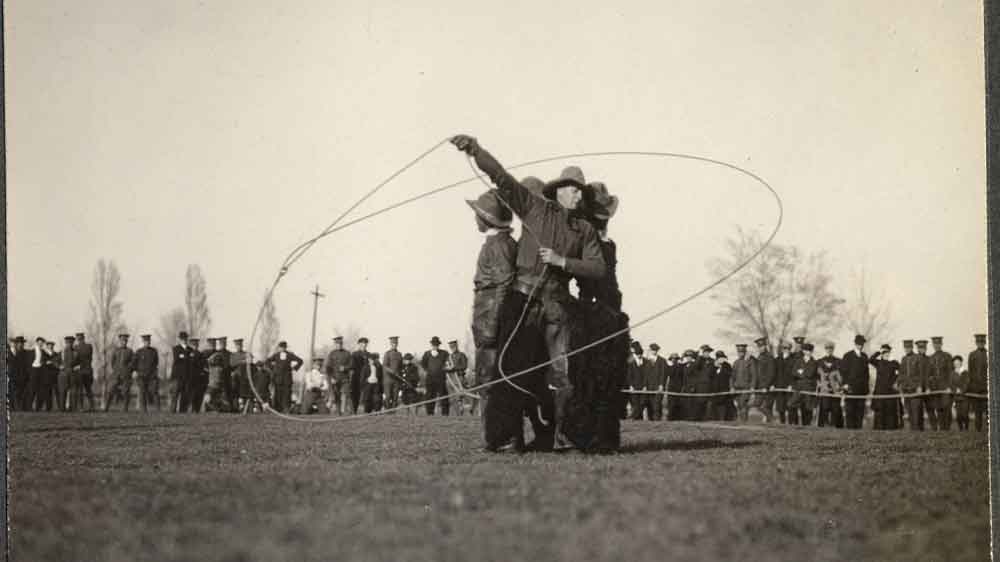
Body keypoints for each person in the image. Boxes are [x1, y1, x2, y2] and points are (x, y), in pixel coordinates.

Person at [452, 135, 607, 451]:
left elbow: (598, 268)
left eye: (581, 191)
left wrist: (564, 262)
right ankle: (507, 438)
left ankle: (565, 437)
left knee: (565, 372)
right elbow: (500, 176)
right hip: (521, 301)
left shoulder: (586, 230)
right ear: (559, 190)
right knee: (511, 370)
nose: (578, 195)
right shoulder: (533, 207)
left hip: (558, 306)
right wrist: (476, 150)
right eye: (573, 189)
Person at [466, 188, 518, 440]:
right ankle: (501, 437)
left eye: (477, 213)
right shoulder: (504, 243)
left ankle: (496, 438)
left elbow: (504, 285)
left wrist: (492, 324)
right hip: (489, 316)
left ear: (486, 218)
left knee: (489, 379)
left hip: (490, 318)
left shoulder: (497, 245)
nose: (475, 218)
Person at [841, 335, 870, 429]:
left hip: (861, 389)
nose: (860, 346)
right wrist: (845, 384)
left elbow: (866, 374)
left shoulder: (864, 356)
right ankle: (850, 430)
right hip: (850, 388)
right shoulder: (847, 356)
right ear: (855, 344)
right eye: (858, 344)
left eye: (862, 344)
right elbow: (843, 371)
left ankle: (858, 430)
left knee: (860, 411)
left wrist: (866, 388)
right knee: (850, 410)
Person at [869, 344, 900, 430]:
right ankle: (879, 428)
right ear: (882, 354)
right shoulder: (878, 363)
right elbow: (870, 360)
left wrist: (896, 382)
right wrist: (879, 352)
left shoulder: (894, 363)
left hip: (890, 392)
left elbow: (901, 372)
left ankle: (891, 428)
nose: (886, 354)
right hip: (880, 391)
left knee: (890, 411)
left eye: (887, 352)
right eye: (884, 353)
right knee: (879, 411)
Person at [267, 341, 303, 413]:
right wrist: (273, 369)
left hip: (287, 378)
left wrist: (294, 368)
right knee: (278, 394)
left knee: (287, 394)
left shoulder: (290, 355)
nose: (282, 349)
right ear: (279, 348)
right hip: (278, 378)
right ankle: (277, 409)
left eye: (283, 347)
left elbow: (300, 361)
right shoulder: (276, 355)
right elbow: (267, 361)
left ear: (285, 348)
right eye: (281, 347)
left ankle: (286, 409)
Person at [927, 336, 954, 430]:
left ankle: (947, 427)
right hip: (935, 387)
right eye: (935, 344)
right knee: (938, 407)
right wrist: (929, 386)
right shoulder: (930, 358)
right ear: (933, 345)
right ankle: (942, 427)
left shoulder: (947, 356)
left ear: (941, 344)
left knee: (946, 406)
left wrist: (949, 386)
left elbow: (951, 372)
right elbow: (928, 374)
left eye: (938, 344)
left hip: (945, 386)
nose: (936, 346)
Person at [788, 343, 818, 426]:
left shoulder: (814, 362)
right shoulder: (798, 361)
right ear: (804, 351)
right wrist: (802, 373)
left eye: (810, 351)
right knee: (791, 404)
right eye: (806, 350)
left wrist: (800, 372)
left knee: (807, 408)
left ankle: (806, 425)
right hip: (798, 387)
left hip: (809, 387)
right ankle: (793, 424)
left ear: (812, 352)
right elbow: (794, 372)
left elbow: (810, 373)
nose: (808, 352)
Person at [897, 339, 924, 430]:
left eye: (909, 347)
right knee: (909, 409)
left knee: (916, 409)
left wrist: (919, 386)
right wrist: (898, 383)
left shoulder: (918, 358)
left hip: (915, 388)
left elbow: (921, 373)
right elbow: (901, 373)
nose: (907, 349)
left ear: (912, 347)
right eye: (905, 348)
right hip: (906, 388)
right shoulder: (904, 359)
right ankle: (913, 429)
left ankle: (917, 430)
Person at [816, 343, 844, 428]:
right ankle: (823, 426)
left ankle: (836, 426)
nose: (829, 350)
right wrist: (818, 383)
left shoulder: (839, 361)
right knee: (824, 408)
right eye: (827, 348)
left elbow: (841, 376)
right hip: (824, 390)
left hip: (835, 390)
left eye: (831, 348)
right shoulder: (820, 361)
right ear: (825, 349)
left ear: (833, 349)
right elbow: (816, 376)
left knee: (836, 408)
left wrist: (840, 387)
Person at [421, 336, 450, 416]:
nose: (435, 346)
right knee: (430, 396)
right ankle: (430, 413)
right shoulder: (427, 354)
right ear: (431, 345)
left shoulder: (444, 353)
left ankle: (445, 414)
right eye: (433, 344)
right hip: (430, 379)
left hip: (441, 378)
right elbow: (423, 364)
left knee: (443, 396)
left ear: (438, 345)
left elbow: (448, 362)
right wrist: (428, 371)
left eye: (436, 345)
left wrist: (445, 368)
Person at [325, 335, 354, 415]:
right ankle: (338, 412)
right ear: (335, 344)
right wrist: (331, 378)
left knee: (348, 394)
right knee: (337, 395)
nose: (339, 345)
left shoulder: (347, 353)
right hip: (335, 378)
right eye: (337, 344)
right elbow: (328, 367)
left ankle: (352, 412)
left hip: (345, 378)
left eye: (340, 344)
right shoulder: (332, 354)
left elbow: (352, 365)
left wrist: (345, 368)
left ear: (342, 344)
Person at [967, 333, 989, 431]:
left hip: (986, 386)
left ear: (985, 343)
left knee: (988, 409)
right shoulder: (972, 355)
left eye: (982, 342)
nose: (980, 344)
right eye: (979, 342)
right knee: (977, 410)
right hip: (975, 387)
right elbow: (970, 371)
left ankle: (989, 428)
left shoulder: (989, 353)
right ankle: (978, 429)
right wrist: (970, 386)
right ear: (976, 343)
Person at [133, 334, 159, 413]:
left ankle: (158, 409)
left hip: (152, 375)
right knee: (142, 392)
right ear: (143, 342)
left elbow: (156, 362)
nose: (147, 343)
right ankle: (143, 409)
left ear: (150, 342)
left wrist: (154, 372)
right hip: (141, 375)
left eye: (148, 341)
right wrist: (136, 372)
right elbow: (134, 363)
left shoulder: (154, 351)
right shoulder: (139, 351)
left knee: (154, 391)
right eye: (145, 341)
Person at [170, 332, 194, 413]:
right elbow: (177, 358)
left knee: (185, 394)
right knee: (175, 394)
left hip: (187, 376)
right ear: (180, 340)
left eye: (185, 339)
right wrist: (187, 357)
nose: (184, 340)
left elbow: (191, 360)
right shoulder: (176, 349)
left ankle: (183, 411)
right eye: (182, 339)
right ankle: (172, 410)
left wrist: (183, 356)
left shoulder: (191, 349)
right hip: (178, 376)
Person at [754, 337, 777, 423]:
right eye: (759, 347)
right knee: (757, 404)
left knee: (765, 406)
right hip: (759, 386)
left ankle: (771, 420)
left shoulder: (769, 357)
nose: (760, 348)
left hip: (766, 386)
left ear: (765, 346)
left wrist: (766, 386)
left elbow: (771, 373)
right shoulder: (759, 357)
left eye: (762, 346)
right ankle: (770, 419)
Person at [913, 340, 935, 429]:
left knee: (930, 408)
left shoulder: (929, 359)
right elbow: (914, 375)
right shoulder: (914, 359)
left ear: (926, 348)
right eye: (920, 348)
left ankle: (934, 427)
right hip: (918, 388)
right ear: (917, 349)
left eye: (924, 348)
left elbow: (931, 375)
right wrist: (918, 386)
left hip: (927, 389)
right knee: (918, 409)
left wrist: (928, 387)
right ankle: (920, 428)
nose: (922, 349)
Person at [445, 339, 471, 415]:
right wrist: (447, 368)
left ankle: (467, 411)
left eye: (453, 346)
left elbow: (464, 366)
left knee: (461, 395)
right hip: (451, 379)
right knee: (453, 397)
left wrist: (454, 368)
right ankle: (458, 413)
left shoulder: (462, 355)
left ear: (456, 346)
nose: (452, 348)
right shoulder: (449, 357)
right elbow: (445, 366)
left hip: (459, 377)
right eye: (451, 347)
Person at [731, 344, 756, 423]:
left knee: (743, 404)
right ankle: (741, 422)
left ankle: (744, 422)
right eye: (739, 352)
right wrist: (732, 387)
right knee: (738, 406)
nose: (740, 354)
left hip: (746, 388)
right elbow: (732, 377)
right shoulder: (736, 363)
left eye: (742, 352)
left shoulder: (750, 362)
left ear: (745, 352)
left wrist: (752, 386)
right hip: (736, 388)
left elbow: (754, 375)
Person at [773, 342, 794, 424]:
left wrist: (791, 385)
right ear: (782, 349)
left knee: (790, 406)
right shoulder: (777, 360)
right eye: (784, 348)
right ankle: (782, 423)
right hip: (779, 386)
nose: (786, 350)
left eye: (788, 348)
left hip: (789, 387)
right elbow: (774, 373)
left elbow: (794, 374)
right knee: (780, 407)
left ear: (790, 349)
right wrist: (773, 385)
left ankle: (790, 424)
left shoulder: (793, 360)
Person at [627, 341, 648, 420]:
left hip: (643, 387)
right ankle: (635, 418)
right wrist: (631, 386)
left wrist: (645, 386)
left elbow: (646, 375)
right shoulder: (631, 363)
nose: (639, 355)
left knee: (642, 403)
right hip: (634, 386)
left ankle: (636, 417)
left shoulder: (646, 362)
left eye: (640, 354)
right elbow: (629, 376)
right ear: (635, 354)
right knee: (635, 403)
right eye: (638, 354)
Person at [382, 337, 404, 412]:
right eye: (393, 343)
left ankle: (393, 411)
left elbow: (401, 367)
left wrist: (401, 376)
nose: (394, 345)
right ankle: (387, 410)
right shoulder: (387, 354)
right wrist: (391, 371)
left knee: (395, 396)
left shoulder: (399, 354)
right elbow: (384, 366)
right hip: (388, 379)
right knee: (388, 396)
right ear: (390, 344)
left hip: (397, 379)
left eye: (396, 343)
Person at [349, 337, 370, 414]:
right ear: (359, 344)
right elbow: (352, 366)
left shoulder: (369, 355)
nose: (364, 345)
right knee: (355, 394)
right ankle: (354, 410)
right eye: (362, 344)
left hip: (366, 377)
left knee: (367, 394)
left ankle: (367, 411)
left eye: (365, 344)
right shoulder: (354, 354)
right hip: (357, 377)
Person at [189, 338, 209, 413]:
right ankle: (193, 409)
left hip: (199, 377)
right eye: (194, 345)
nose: (195, 346)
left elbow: (205, 365)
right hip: (191, 377)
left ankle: (197, 409)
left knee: (199, 394)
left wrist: (204, 372)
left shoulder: (201, 354)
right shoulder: (189, 354)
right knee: (192, 394)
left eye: (196, 345)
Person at [230, 338, 250, 412]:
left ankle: (245, 408)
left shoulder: (246, 354)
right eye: (237, 345)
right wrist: (241, 361)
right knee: (235, 393)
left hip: (244, 377)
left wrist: (247, 360)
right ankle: (235, 408)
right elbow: (232, 364)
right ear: (235, 346)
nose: (239, 347)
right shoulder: (233, 355)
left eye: (240, 345)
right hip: (236, 377)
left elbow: (250, 361)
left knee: (244, 393)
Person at [57, 336, 76, 412]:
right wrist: (59, 366)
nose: (69, 344)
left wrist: (78, 366)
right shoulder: (61, 352)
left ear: (73, 343)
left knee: (72, 391)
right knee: (62, 391)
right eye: (68, 343)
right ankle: (62, 408)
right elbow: (55, 361)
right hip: (63, 374)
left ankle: (72, 408)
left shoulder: (75, 352)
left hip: (72, 373)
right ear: (65, 343)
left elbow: (79, 362)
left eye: (71, 343)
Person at [952, 355, 971, 431]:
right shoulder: (952, 373)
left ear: (961, 363)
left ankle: (966, 428)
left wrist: (962, 390)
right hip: (956, 397)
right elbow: (951, 384)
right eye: (955, 363)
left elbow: (967, 383)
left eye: (958, 363)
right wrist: (955, 389)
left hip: (965, 397)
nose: (957, 364)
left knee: (965, 414)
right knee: (958, 415)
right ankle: (960, 428)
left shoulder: (965, 373)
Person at [665, 352, 685, 420]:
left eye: (675, 359)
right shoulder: (669, 367)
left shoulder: (681, 367)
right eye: (673, 359)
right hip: (671, 387)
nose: (674, 360)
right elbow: (670, 374)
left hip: (679, 387)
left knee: (678, 402)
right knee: (671, 403)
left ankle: (678, 417)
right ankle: (671, 417)